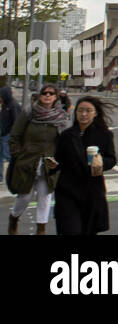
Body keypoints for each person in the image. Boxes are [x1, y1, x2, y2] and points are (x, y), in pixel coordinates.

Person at [7, 85, 68, 234]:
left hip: (49, 165)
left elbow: (64, 141)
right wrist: (18, 154)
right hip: (27, 162)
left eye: (51, 93)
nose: (47, 95)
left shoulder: (61, 117)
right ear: (39, 96)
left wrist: (59, 159)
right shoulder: (29, 113)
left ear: (55, 97)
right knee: (24, 197)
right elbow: (15, 135)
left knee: (45, 198)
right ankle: (14, 217)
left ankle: (41, 229)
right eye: (44, 93)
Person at [53, 96, 117, 235]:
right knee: (70, 230)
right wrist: (51, 165)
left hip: (92, 192)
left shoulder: (104, 135)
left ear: (95, 113)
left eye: (88, 111)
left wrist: (101, 162)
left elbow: (112, 159)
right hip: (67, 192)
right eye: (80, 110)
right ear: (75, 113)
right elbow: (58, 160)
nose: (83, 114)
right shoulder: (66, 136)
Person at [0, 86, 16, 171]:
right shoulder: (5, 105)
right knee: (1, 155)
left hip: (8, 134)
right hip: (4, 133)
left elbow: (16, 120)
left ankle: (14, 171)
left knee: (7, 155)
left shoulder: (13, 105)